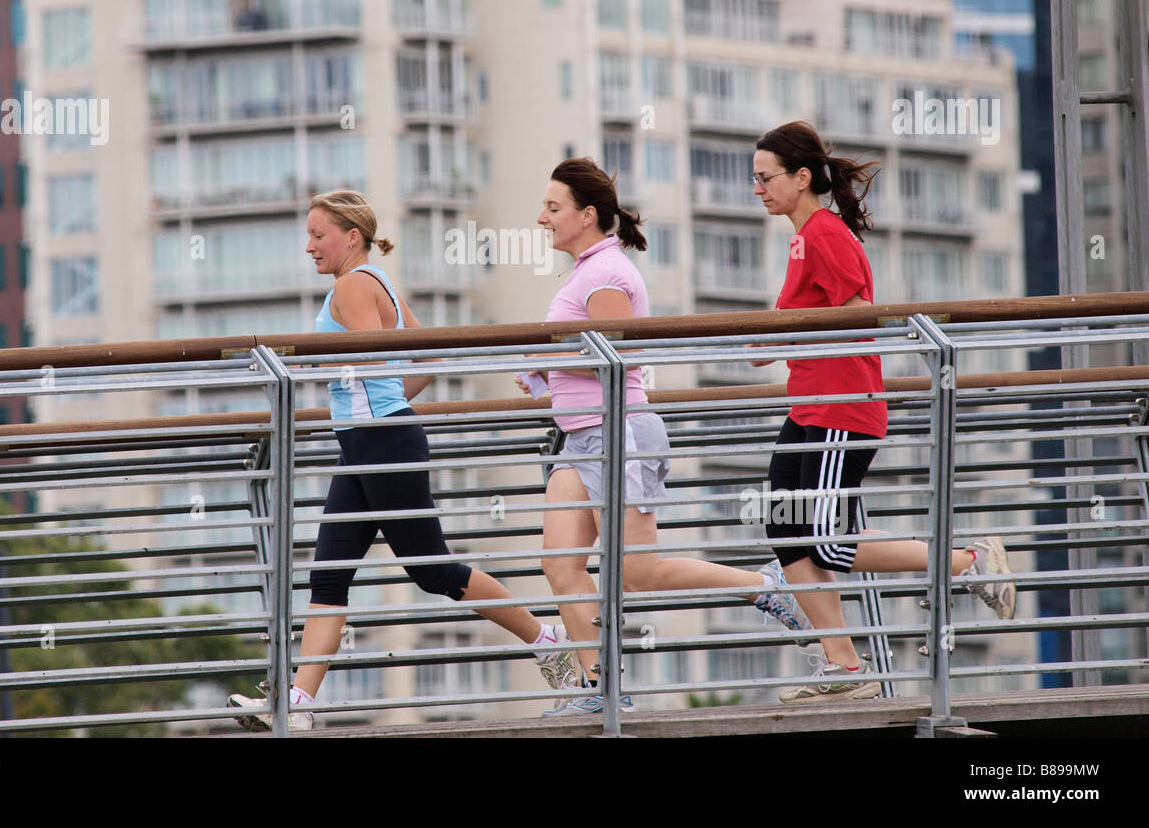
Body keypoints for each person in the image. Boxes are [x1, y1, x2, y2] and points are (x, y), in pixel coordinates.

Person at [229, 190, 576, 731]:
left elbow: (368, 360)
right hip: (370, 440)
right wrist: (392, 403)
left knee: (431, 568)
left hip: (381, 441)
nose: (308, 247)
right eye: (307, 235)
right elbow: (428, 355)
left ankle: (545, 638)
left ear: (350, 237)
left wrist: (374, 401)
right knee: (328, 574)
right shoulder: (381, 280)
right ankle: (298, 706)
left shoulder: (351, 284)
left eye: (317, 235)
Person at [523, 158, 812, 718]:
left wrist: (545, 356)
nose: (541, 219)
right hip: (581, 438)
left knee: (638, 569)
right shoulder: (589, 268)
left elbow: (618, 359)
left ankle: (766, 583)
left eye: (552, 208)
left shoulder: (605, 274)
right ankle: (600, 688)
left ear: (587, 215)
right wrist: (547, 364)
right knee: (559, 562)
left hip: (618, 433)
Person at [750, 121, 1016, 703]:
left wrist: (788, 333)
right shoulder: (803, 239)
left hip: (839, 411)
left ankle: (969, 560)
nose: (758, 189)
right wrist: (770, 339)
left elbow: (858, 311)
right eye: (754, 179)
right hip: (810, 405)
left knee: (822, 542)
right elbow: (809, 315)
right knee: (785, 532)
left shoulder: (824, 233)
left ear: (801, 178)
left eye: (766, 178)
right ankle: (844, 668)